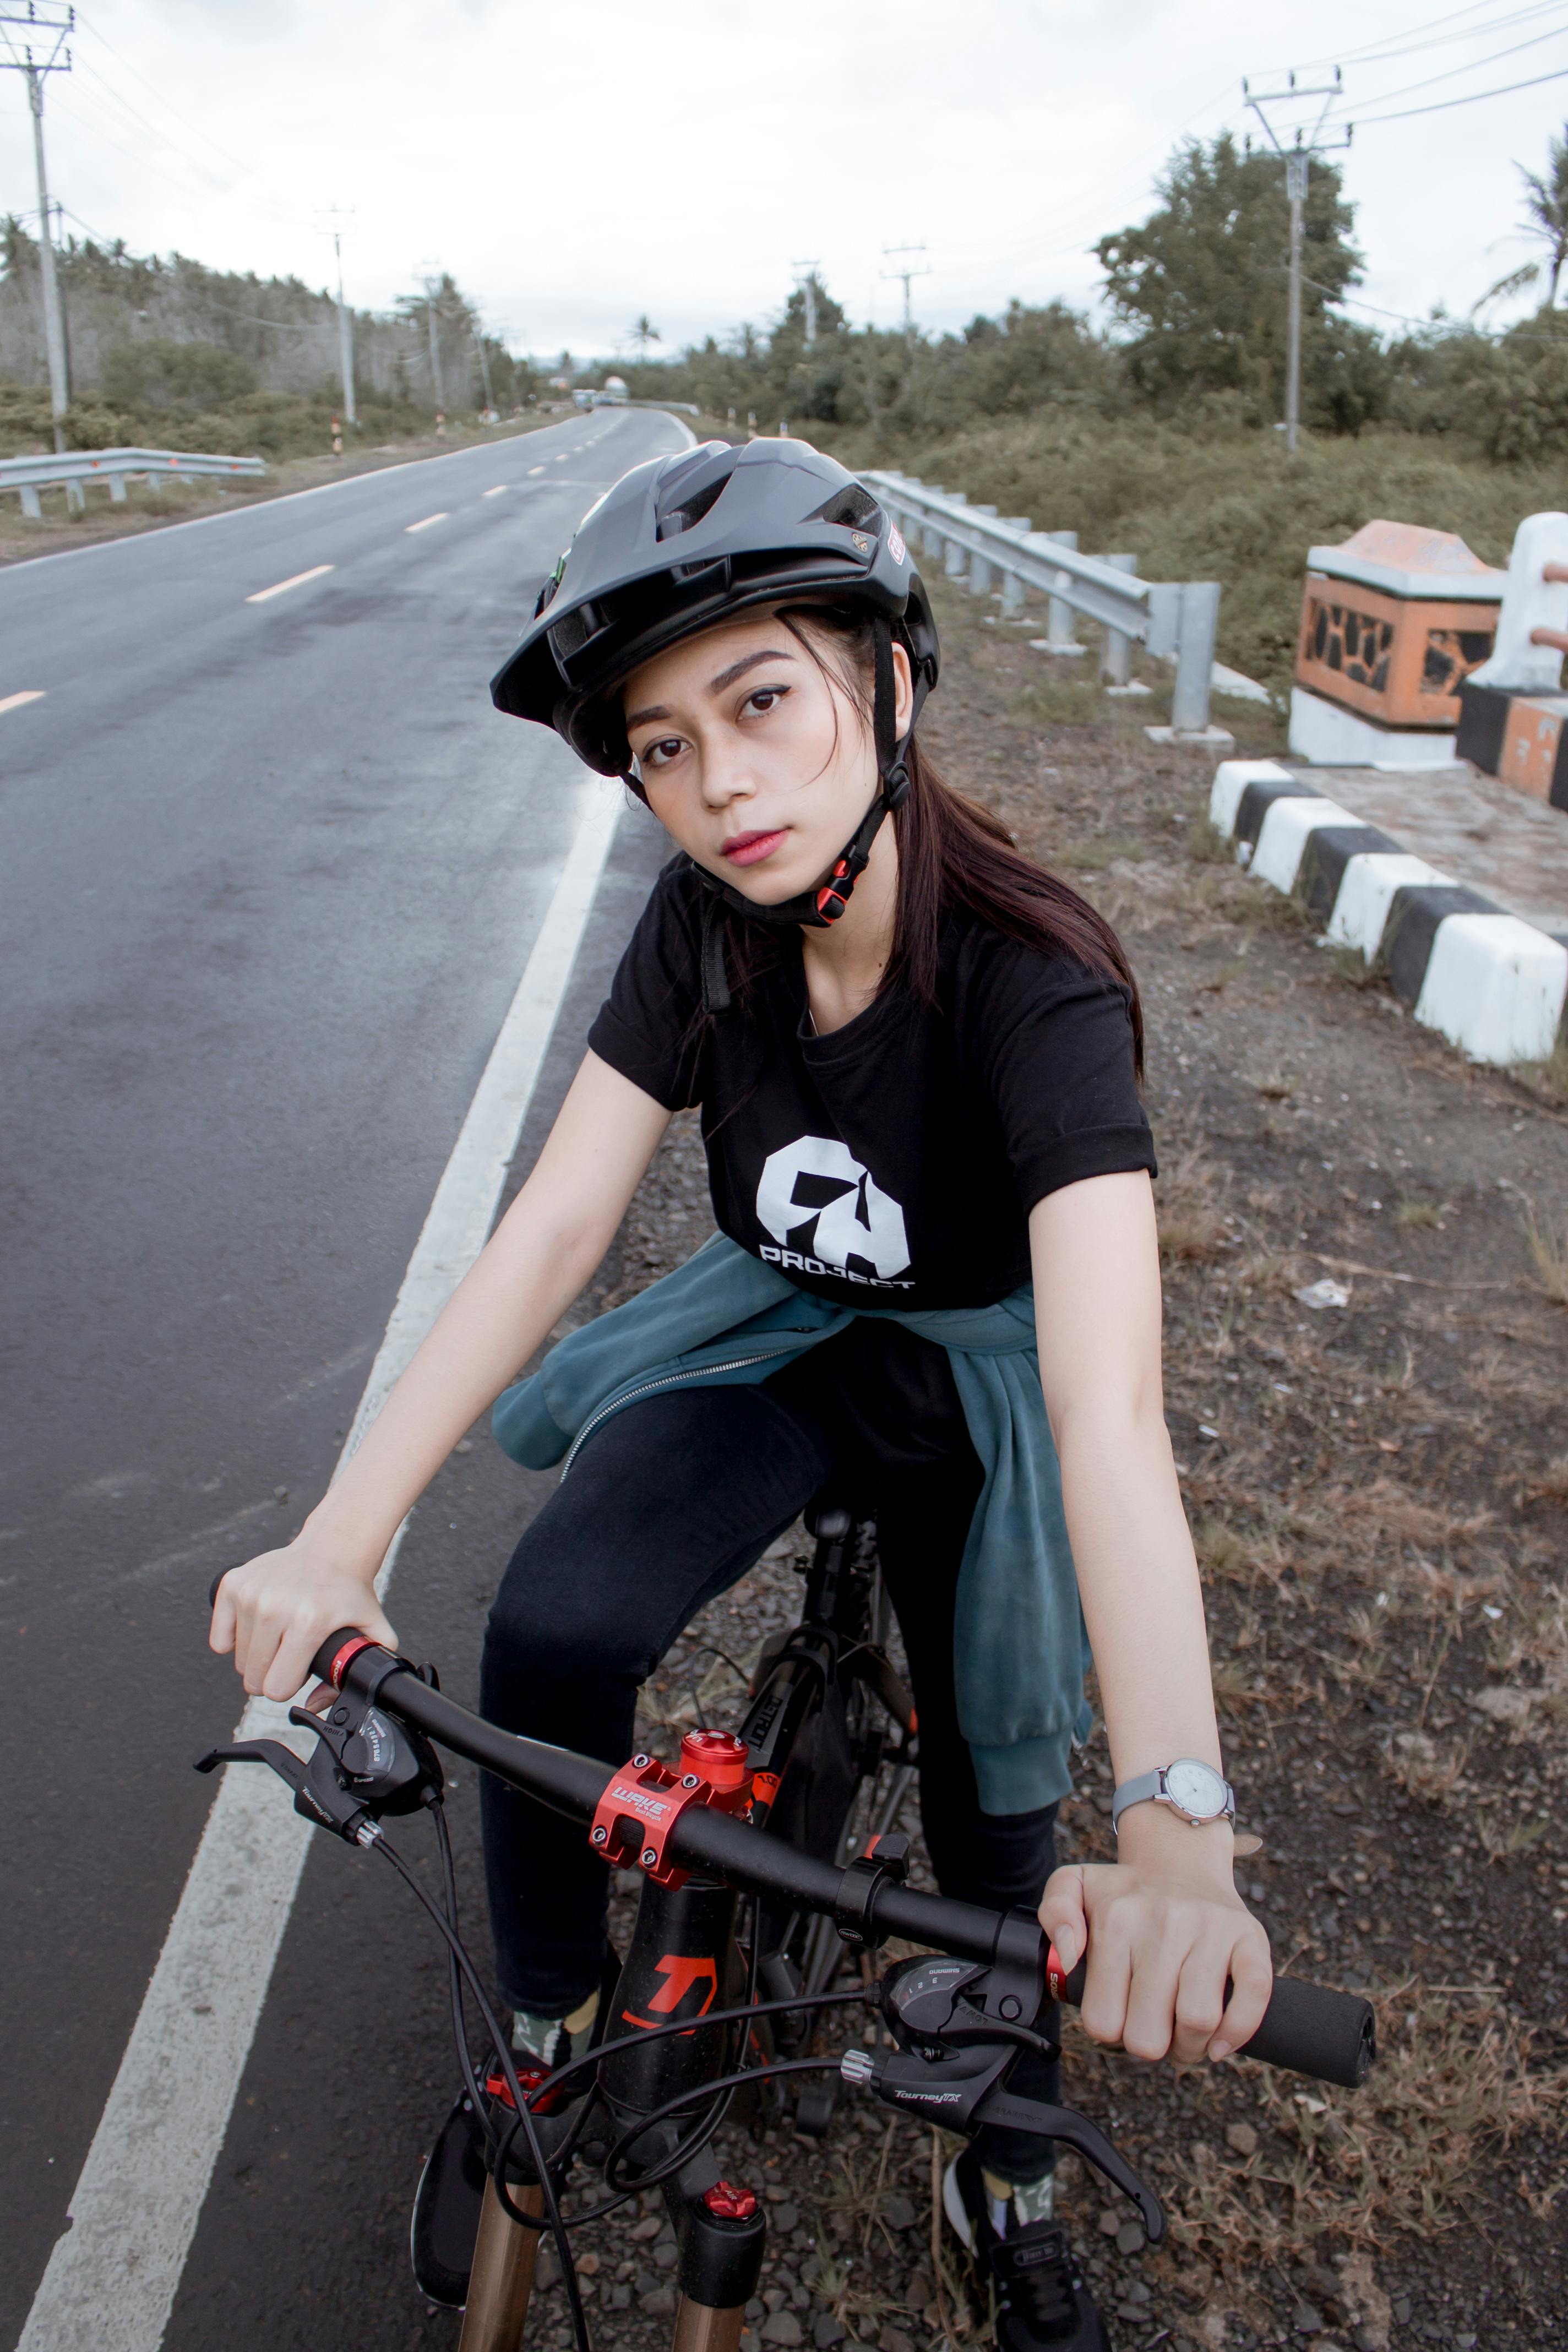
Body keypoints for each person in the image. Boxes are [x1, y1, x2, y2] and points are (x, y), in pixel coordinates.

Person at [212, 438, 1270, 2352]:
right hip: (778, 1330)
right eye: (663, 748)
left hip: (981, 1387)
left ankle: (1005, 2167)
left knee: (999, 1811)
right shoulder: (705, 931)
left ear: (889, 681)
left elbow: (1115, 1416)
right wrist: (339, 1534)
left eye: (762, 701)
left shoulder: (1036, 983)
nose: (717, 785)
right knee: (549, 1624)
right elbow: (548, 1236)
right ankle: (545, 2033)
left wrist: (1181, 1828)